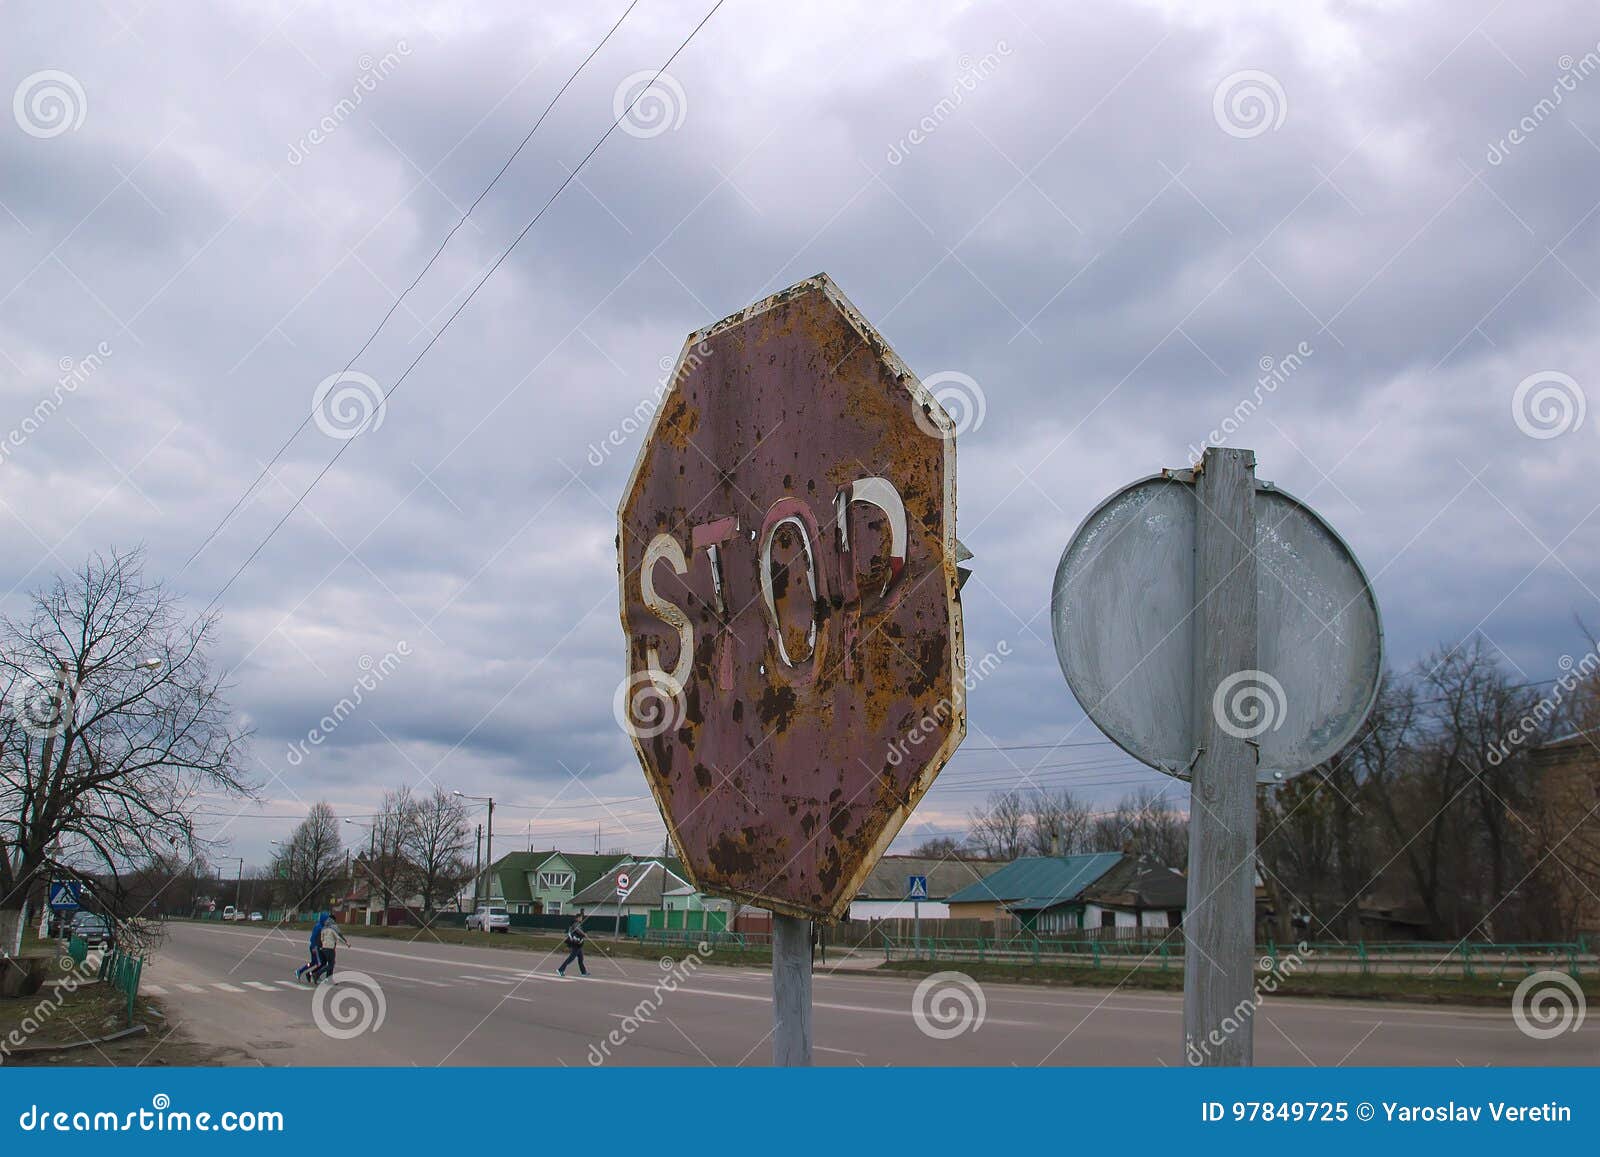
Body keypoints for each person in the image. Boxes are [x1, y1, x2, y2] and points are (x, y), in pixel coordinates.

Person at [311, 914, 349, 983]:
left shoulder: (323, 927)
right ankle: (317, 974)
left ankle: (327, 978)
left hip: (323, 947)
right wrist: (346, 943)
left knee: (328, 963)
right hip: (330, 947)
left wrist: (321, 945)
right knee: (331, 964)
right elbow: (339, 936)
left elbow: (321, 938)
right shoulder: (334, 927)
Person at [296, 912, 327, 983]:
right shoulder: (318, 927)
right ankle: (309, 974)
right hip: (315, 947)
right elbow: (313, 938)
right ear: (323, 919)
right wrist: (313, 947)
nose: (326, 921)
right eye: (325, 920)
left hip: (318, 947)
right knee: (320, 963)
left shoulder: (322, 926)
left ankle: (303, 972)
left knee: (314, 963)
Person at [557, 912, 588, 977]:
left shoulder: (577, 924)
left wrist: (583, 935)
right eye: (581, 917)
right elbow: (578, 930)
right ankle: (560, 970)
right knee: (571, 958)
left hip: (578, 944)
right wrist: (584, 934)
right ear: (578, 918)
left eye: (581, 917)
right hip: (576, 944)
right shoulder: (575, 924)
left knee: (581, 959)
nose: (581, 919)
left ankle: (583, 972)